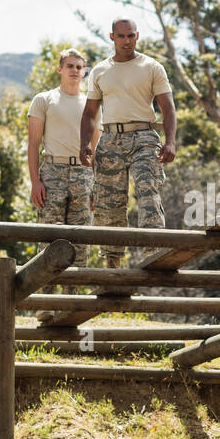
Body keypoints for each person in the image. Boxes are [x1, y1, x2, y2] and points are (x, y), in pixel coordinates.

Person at [78, 19, 176, 267]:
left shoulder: (152, 67)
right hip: (110, 138)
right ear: (112, 37)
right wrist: (84, 144)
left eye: (131, 35)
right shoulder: (100, 71)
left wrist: (171, 141)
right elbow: (90, 112)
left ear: (137, 36)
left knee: (147, 189)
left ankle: (154, 253)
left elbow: (167, 106)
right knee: (109, 201)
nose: (126, 41)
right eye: (121, 36)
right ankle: (113, 262)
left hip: (144, 136)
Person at [29, 48, 98, 323]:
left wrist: (98, 185)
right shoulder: (44, 99)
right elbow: (33, 143)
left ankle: (71, 304)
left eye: (80, 67)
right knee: (50, 238)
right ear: (60, 69)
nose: (74, 71)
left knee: (80, 239)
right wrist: (36, 182)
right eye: (70, 65)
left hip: (84, 173)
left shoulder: (91, 104)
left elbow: (97, 146)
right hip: (53, 170)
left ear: (84, 71)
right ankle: (45, 303)